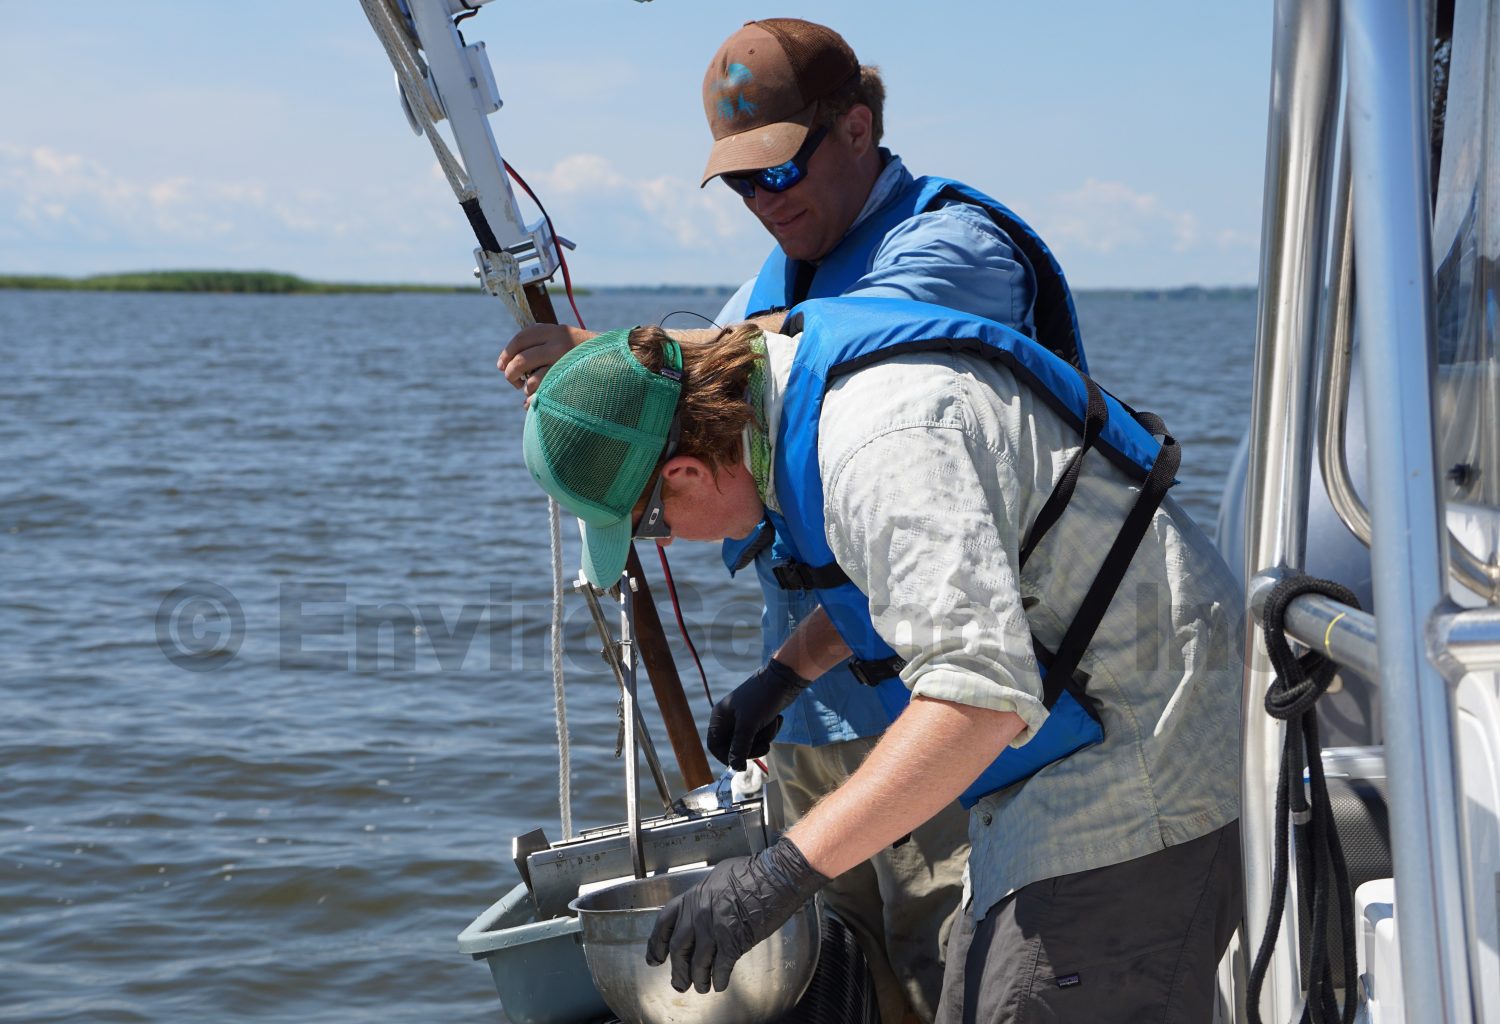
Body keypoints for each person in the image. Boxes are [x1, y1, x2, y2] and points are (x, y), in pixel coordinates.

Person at [499, 20, 1090, 1022]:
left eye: (778, 170)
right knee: (846, 983)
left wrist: (621, 353)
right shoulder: (759, 290)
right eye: (739, 183)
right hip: (816, 727)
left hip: (952, 726)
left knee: (967, 974)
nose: (764, 201)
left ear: (857, 127)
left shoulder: (955, 245)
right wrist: (780, 677)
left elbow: (840, 343)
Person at [520, 297, 1243, 1024]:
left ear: (685, 472)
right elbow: (894, 583)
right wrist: (785, 675)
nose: (667, 544)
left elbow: (979, 697)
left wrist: (777, 875)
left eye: (650, 526)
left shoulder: (882, 444)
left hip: (1138, 764)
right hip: (1052, 757)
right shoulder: (789, 408)